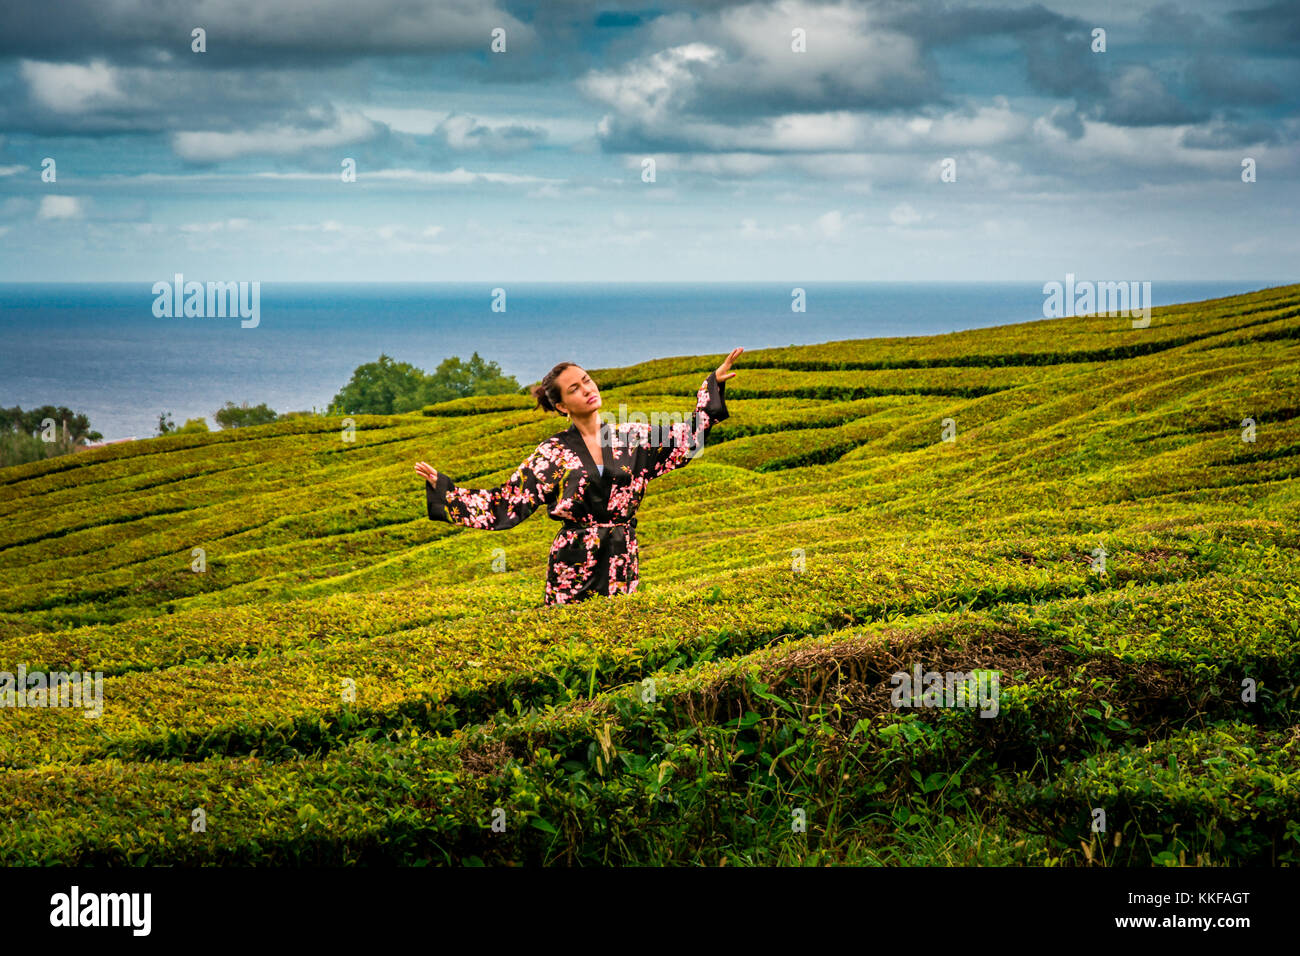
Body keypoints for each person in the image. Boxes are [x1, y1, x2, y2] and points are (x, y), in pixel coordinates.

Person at [415, 348, 743, 606]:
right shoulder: (553, 453)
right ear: (561, 406)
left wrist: (713, 384)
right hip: (573, 562)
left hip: (621, 556)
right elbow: (508, 502)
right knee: (569, 637)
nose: (587, 389)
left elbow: (687, 438)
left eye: (587, 380)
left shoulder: (632, 436)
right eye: (574, 388)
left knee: (621, 638)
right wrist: (446, 491)